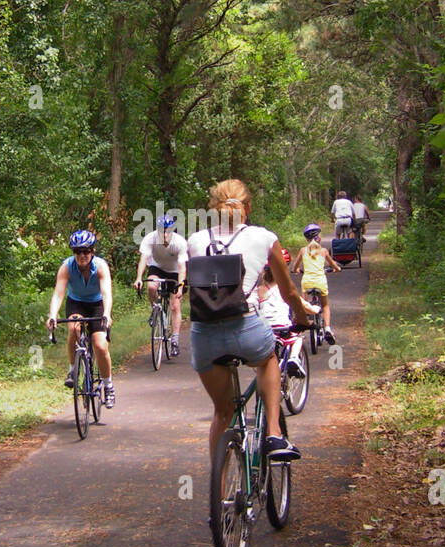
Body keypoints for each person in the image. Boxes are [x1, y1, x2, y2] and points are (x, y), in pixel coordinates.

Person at [187, 179, 309, 462]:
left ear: (213, 210)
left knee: (223, 411)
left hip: (203, 336)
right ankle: (274, 434)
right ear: (248, 208)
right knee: (267, 360)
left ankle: (219, 494)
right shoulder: (264, 237)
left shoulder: (196, 240)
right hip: (246, 328)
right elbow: (288, 290)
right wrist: (301, 316)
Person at [47, 229, 116, 407]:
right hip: (76, 302)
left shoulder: (100, 266)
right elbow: (58, 294)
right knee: (74, 328)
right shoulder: (66, 267)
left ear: (92, 251)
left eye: (86, 251)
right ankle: (72, 370)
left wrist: (107, 313)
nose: (81, 255)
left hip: (96, 304)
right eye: (77, 251)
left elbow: (107, 293)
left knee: (100, 345)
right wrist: (53, 315)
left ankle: (108, 386)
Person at [133, 214, 188, 357]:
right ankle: (155, 310)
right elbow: (143, 260)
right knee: (151, 286)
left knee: (175, 305)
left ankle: (175, 339)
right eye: (161, 231)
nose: (164, 235)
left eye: (167, 231)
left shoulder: (180, 242)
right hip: (157, 268)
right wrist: (139, 278)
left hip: (175, 271)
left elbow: (182, 268)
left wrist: (181, 286)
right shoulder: (150, 239)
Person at [292, 223, 340, 343]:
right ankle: (328, 329)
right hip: (320, 281)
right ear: (318, 237)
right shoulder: (324, 251)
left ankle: (307, 315)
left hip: (307, 282)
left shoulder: (303, 251)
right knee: (325, 306)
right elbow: (333, 265)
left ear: (306, 239)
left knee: (306, 303)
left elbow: (294, 267)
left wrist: (297, 270)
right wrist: (336, 269)